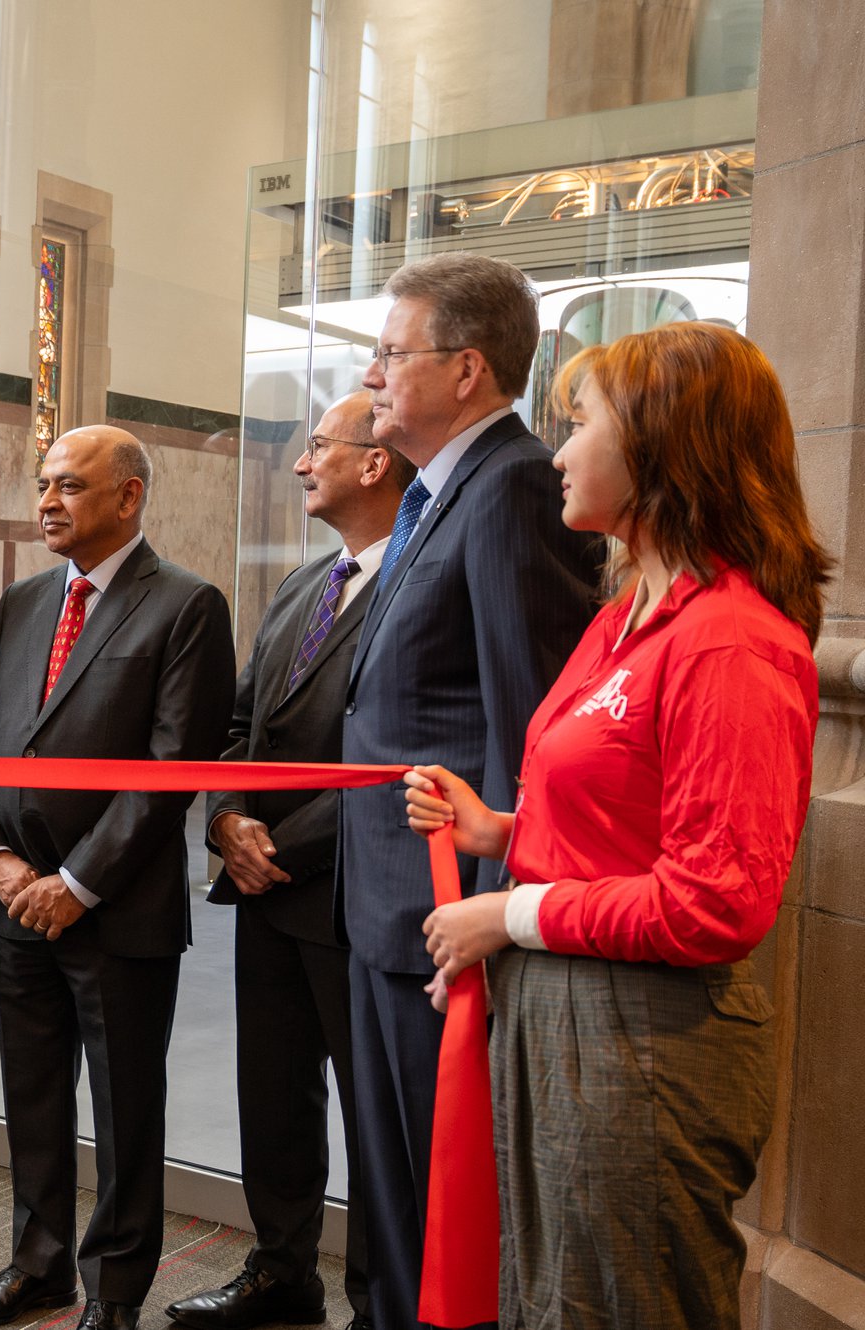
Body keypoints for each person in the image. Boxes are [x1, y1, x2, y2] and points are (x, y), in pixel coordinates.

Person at [403, 323, 826, 1330]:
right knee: (551, 1302)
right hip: (567, 1018)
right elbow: (624, 822)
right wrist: (501, 830)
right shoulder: (622, 614)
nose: (554, 452)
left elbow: (714, 901)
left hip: (644, 1045)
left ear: (658, 444)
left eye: (579, 422)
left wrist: (505, 915)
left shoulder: (729, 641)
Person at [339, 253, 600, 1330]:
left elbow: (523, 723)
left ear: (465, 369)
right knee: (393, 1203)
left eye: (390, 354)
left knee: (445, 1216)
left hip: (443, 922)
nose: (370, 376)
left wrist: (492, 917)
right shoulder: (434, 494)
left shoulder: (509, 490)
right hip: (385, 907)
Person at [0, 426, 236, 1330]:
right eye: (42, 484)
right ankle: (38, 1266)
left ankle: (115, 1291)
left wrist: (74, 883)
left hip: (116, 913)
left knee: (123, 1110)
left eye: (69, 486)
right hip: (16, 900)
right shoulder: (27, 599)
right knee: (32, 1095)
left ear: (128, 496)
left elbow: (171, 772)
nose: (47, 502)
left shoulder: (187, 606)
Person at [170, 391, 411, 1330]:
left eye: (317, 447)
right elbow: (238, 724)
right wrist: (228, 819)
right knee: (273, 1100)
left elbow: (398, 756)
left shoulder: (415, 585)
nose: (302, 464)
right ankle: (282, 1273)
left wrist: (286, 846)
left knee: (374, 1118)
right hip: (263, 892)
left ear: (374, 463)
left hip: (353, 894)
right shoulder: (304, 586)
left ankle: (375, 1299)